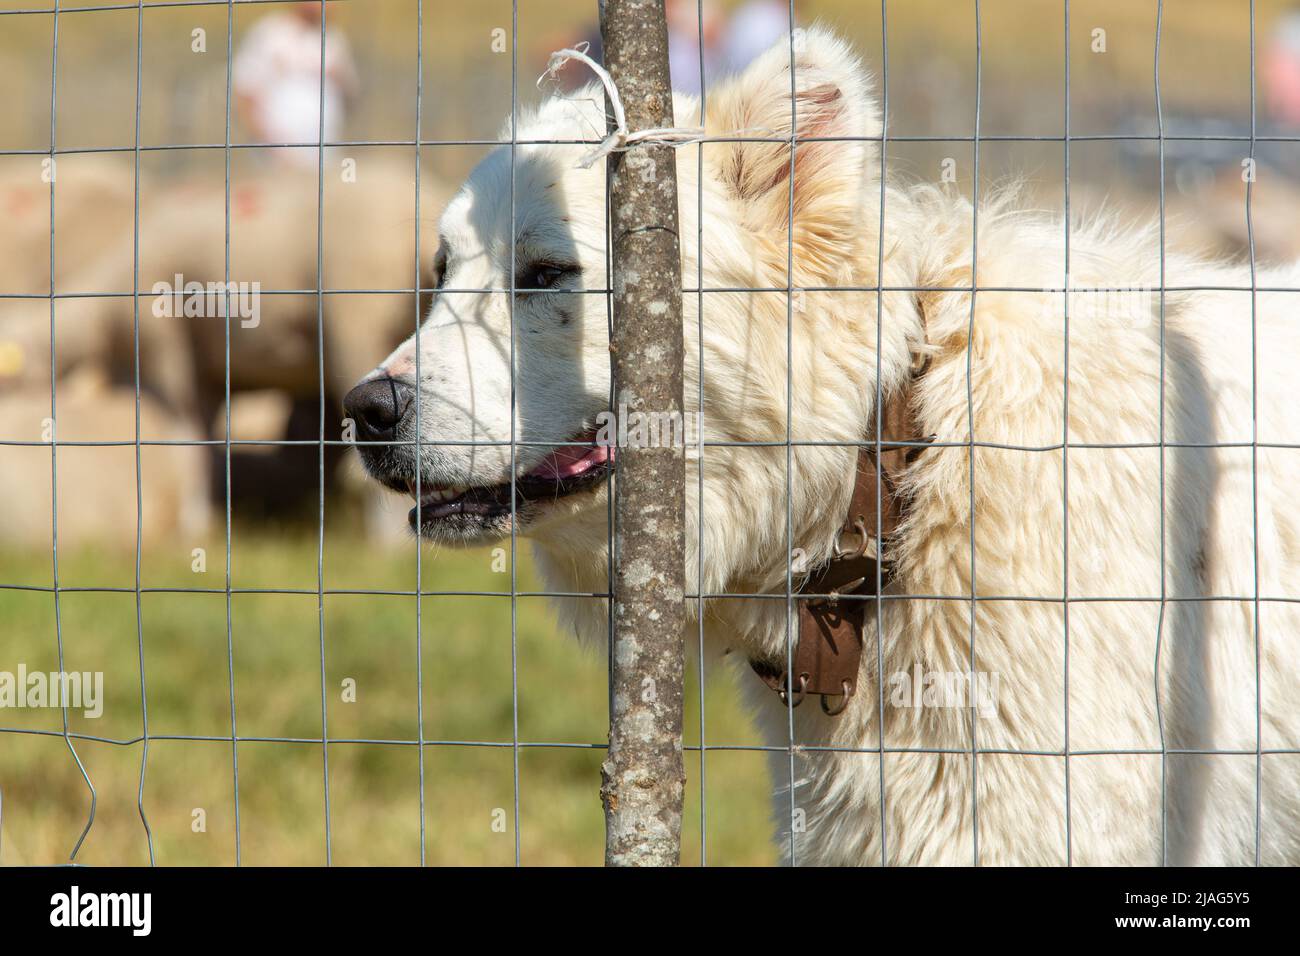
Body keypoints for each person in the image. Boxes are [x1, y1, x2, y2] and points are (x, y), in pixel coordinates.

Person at [233, 2, 359, 167]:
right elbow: (244, 89)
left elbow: (350, 92)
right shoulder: (271, 32)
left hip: (323, 155)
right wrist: (268, 142)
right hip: (275, 156)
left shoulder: (333, 38)